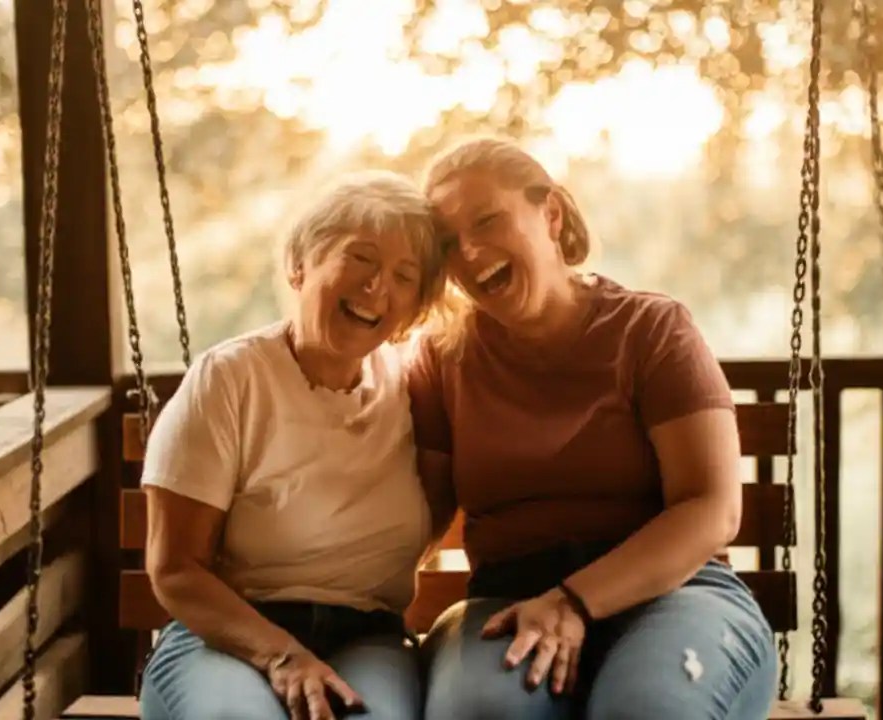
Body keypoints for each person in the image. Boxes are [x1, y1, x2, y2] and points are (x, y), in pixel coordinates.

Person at [406, 136, 779, 719]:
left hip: (674, 594)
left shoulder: (651, 330)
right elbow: (414, 517)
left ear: (550, 214)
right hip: (511, 603)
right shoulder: (442, 359)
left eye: (488, 221)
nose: (472, 252)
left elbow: (710, 507)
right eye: (451, 242)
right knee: (479, 713)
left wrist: (574, 602)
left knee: (646, 710)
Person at [137, 170, 447, 720]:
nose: (378, 286)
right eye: (360, 258)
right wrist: (283, 655)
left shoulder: (411, 388)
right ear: (300, 264)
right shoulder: (229, 379)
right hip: (226, 639)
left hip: (367, 639)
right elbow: (175, 569)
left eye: (404, 275)